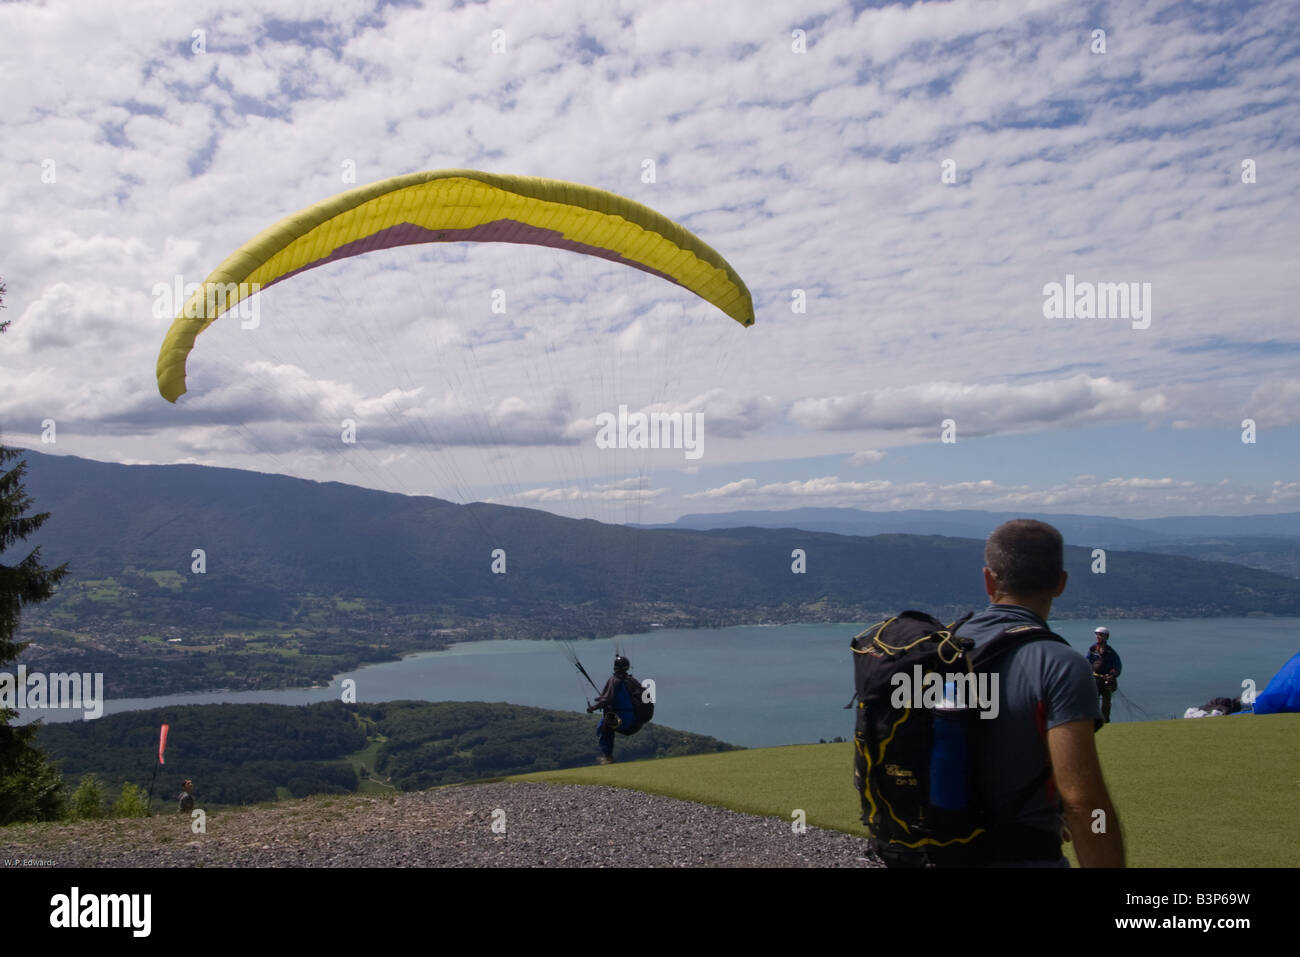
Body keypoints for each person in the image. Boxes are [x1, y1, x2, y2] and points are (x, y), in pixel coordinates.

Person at [953, 519, 1125, 867]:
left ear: (988, 579)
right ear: (1061, 583)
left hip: (932, 851)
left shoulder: (940, 646)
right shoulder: (1061, 663)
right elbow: (1081, 802)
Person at [587, 655, 640, 764]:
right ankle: (608, 757)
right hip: (634, 720)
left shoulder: (614, 680)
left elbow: (607, 699)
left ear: (615, 667)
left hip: (621, 719)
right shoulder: (632, 681)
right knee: (608, 726)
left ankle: (608, 757)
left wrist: (592, 708)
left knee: (602, 727)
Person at [1086, 627, 1123, 723]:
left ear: (1106, 637)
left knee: (1106, 702)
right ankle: (1094, 720)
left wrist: (1112, 675)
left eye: (1101, 635)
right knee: (1094, 701)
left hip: (1107, 681)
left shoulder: (1111, 653)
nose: (1098, 637)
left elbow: (1117, 666)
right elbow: (1086, 662)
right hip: (1095, 679)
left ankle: (1105, 720)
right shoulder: (1092, 650)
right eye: (1097, 635)